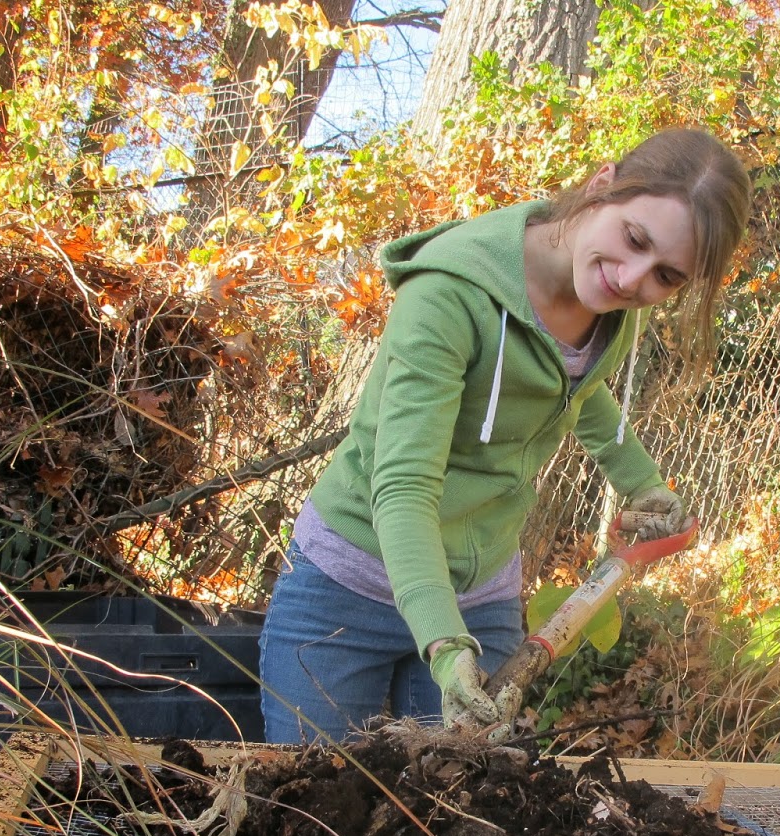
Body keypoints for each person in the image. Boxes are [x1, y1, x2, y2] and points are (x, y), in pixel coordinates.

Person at [259, 127, 752, 742]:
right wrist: (442, 642)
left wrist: (642, 483)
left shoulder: (608, 303)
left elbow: (578, 388)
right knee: (319, 803)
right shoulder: (450, 295)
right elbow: (404, 487)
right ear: (602, 186)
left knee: (458, 813)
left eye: (666, 277)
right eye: (633, 240)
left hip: (479, 590)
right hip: (353, 584)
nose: (631, 280)